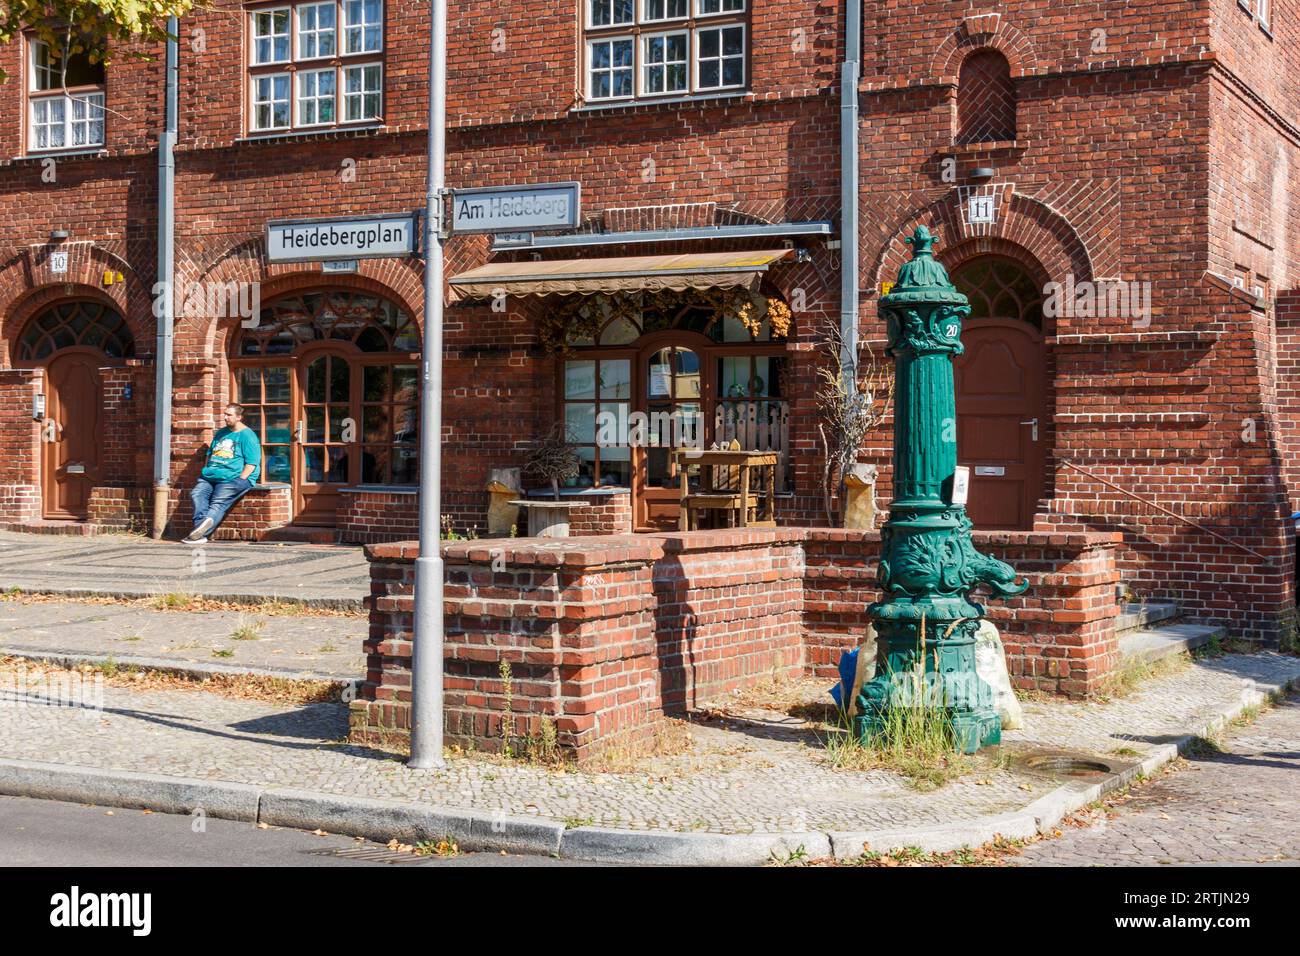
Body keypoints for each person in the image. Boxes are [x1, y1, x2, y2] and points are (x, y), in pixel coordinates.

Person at [185, 403, 261, 544]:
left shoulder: (247, 436)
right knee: (197, 494)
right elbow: (210, 454)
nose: (225, 417)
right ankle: (199, 530)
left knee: (218, 502)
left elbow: (252, 463)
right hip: (210, 476)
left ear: (239, 417)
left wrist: (241, 479)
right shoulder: (221, 432)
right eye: (225, 414)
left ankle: (199, 533)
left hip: (232, 478)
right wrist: (207, 469)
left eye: (229, 415)